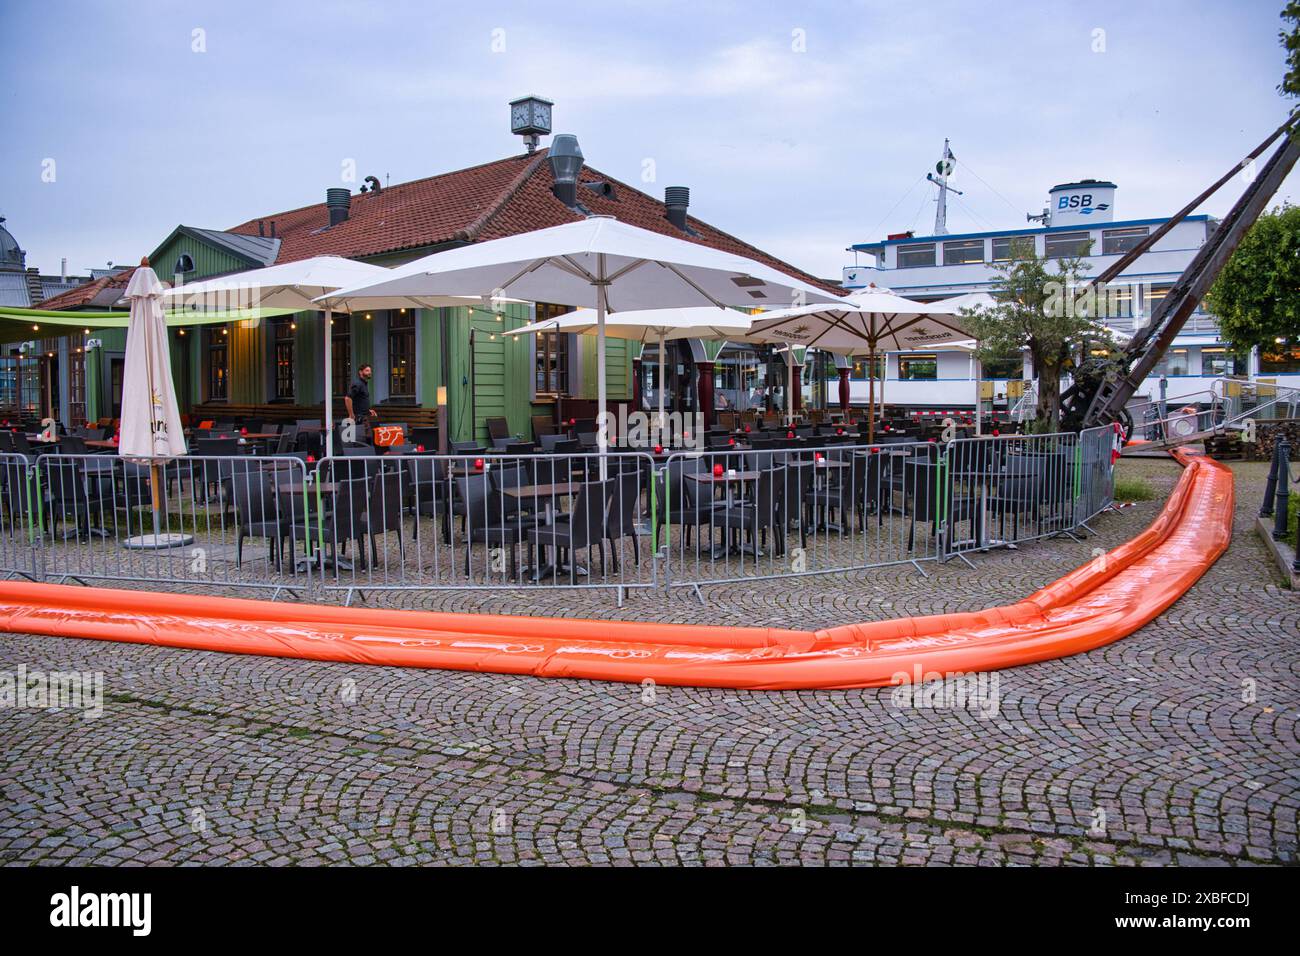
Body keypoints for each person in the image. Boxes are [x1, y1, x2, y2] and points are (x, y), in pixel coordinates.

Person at [345, 364, 377, 442]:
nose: (369, 372)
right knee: (362, 441)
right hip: (359, 419)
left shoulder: (363, 384)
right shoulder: (357, 384)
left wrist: (368, 410)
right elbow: (347, 398)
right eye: (367, 370)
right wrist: (351, 414)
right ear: (360, 372)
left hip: (364, 416)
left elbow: (359, 400)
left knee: (368, 440)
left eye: (370, 371)